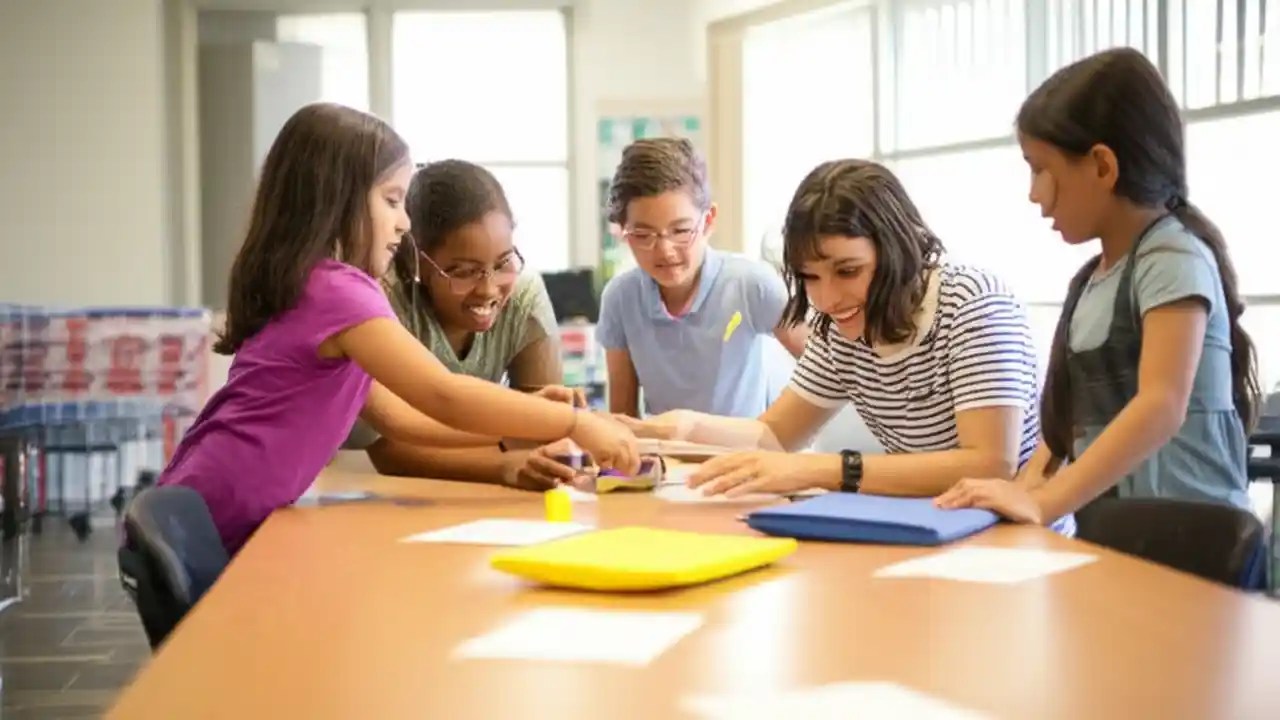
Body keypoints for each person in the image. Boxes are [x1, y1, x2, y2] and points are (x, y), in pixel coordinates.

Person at [157, 103, 636, 556]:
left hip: (194, 506)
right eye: (391, 200)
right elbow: (443, 395)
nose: (405, 222)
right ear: (337, 199)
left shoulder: (313, 288)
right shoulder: (342, 294)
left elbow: (405, 422)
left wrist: (528, 414)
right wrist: (575, 422)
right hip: (213, 515)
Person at [937, 48, 1260, 524]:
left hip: (1197, 544)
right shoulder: (1091, 280)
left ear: (1103, 166)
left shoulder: (1172, 255)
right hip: (1118, 537)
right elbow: (1066, 425)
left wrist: (1044, 502)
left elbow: (1161, 404)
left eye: (1041, 168)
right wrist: (1018, 494)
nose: (1034, 193)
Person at [630, 160, 1053, 516]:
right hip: (928, 524)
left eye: (848, 271)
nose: (826, 298)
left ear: (896, 250)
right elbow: (775, 435)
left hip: (1012, 540)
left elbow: (990, 463)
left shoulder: (972, 304)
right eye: (810, 277)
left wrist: (826, 470)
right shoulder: (839, 331)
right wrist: (678, 427)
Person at [345, 159, 583, 490]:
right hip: (356, 485)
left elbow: (540, 433)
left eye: (503, 263)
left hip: (464, 493)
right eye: (462, 271)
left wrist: (546, 426)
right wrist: (505, 463)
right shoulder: (379, 300)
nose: (487, 288)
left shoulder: (523, 295)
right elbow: (389, 446)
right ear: (417, 261)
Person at [597, 137, 808, 420]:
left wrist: (776, 431)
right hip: (665, 457)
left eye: (681, 231)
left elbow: (823, 372)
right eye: (643, 235)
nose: (665, 250)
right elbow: (622, 418)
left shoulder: (751, 284)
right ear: (622, 230)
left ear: (708, 221)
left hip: (745, 455)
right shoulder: (621, 298)